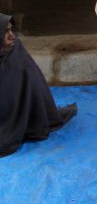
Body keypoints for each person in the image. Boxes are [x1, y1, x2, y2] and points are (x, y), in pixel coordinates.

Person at [0, 13, 77, 157]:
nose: (12, 36)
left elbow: (32, 88)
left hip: (21, 112)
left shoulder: (15, 51)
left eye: (11, 30)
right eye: (5, 32)